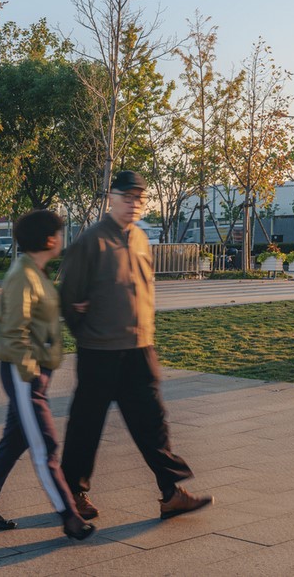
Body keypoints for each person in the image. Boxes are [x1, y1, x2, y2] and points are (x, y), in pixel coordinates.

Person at [59, 170, 212, 521]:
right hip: (99, 351)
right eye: (126, 197)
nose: (133, 204)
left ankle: (171, 493)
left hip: (140, 347)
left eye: (139, 198)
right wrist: (88, 331)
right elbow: (68, 297)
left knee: (152, 422)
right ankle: (72, 493)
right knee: (86, 425)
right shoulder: (91, 241)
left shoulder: (141, 239)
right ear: (111, 199)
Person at [0, 209, 94, 541]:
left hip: (33, 372)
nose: (63, 238)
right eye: (60, 233)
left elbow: (41, 312)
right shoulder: (22, 276)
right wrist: (30, 377)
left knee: (14, 440)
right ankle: (69, 517)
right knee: (45, 445)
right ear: (49, 239)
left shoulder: (36, 271)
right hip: (25, 373)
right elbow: (14, 332)